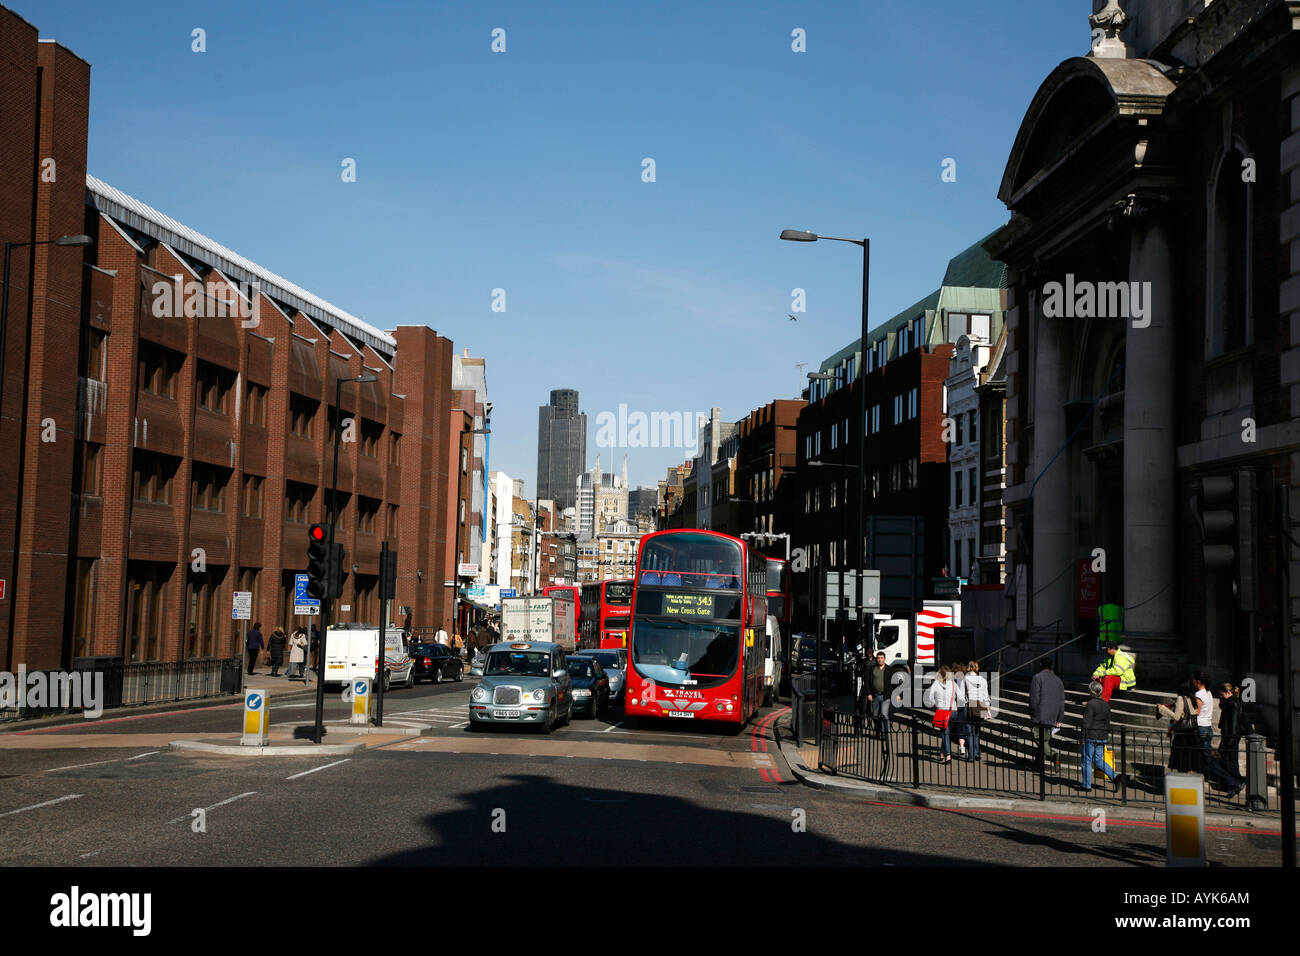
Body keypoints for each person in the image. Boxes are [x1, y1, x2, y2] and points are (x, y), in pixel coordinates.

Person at [1157, 681, 1204, 774]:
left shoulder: (1181, 698)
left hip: (1183, 735)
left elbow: (1177, 717)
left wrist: (1162, 708)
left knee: (1182, 761)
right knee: (1191, 762)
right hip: (1194, 733)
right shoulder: (1193, 698)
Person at [924, 665, 965, 764]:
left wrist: (935, 704)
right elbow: (960, 697)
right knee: (946, 733)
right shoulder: (953, 684)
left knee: (945, 733)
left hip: (942, 712)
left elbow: (930, 698)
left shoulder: (936, 684)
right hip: (953, 711)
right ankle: (942, 754)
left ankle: (948, 755)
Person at [1079, 681, 1115, 792]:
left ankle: (1086, 785)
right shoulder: (1106, 704)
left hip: (1090, 735)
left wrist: (1083, 737)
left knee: (1087, 760)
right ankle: (1115, 776)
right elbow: (1107, 722)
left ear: (1091, 691)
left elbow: (1086, 722)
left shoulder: (1091, 704)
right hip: (1102, 736)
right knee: (1098, 760)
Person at [1029, 659, 1065, 770]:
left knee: (1039, 738)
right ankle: (1038, 765)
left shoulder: (1037, 677)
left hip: (1039, 714)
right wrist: (1060, 717)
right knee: (1044, 740)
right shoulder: (1059, 681)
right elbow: (1061, 701)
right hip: (1052, 715)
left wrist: (1031, 711)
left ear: (1041, 665)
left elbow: (1034, 698)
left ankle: (1053, 755)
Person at [1216, 683, 1246, 785]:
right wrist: (1222, 704)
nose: (1220, 696)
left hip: (1231, 736)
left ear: (1229, 692)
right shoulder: (1231, 702)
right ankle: (1233, 782)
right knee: (1229, 760)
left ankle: (1236, 782)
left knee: (1229, 761)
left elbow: (1233, 722)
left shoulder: (1233, 703)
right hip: (1230, 736)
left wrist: (1230, 739)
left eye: (1221, 694)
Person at [962, 661, 990, 762]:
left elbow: (962, 695)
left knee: (969, 732)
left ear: (968, 668)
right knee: (977, 731)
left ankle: (971, 755)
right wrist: (987, 708)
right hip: (981, 704)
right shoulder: (982, 679)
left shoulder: (965, 678)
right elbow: (986, 695)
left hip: (971, 704)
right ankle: (977, 752)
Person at [866, 652, 892, 739]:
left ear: (884, 658)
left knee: (884, 714)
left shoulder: (889, 669)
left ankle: (885, 734)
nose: (880, 659)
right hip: (875, 695)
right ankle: (878, 731)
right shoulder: (872, 668)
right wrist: (869, 693)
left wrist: (897, 694)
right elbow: (867, 682)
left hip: (885, 696)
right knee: (875, 715)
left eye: (881, 657)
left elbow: (893, 683)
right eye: (878, 658)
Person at [950, 662, 969, 757]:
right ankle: (967, 748)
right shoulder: (966, 678)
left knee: (959, 726)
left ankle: (961, 746)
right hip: (964, 704)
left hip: (956, 705)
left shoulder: (953, 679)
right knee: (965, 726)